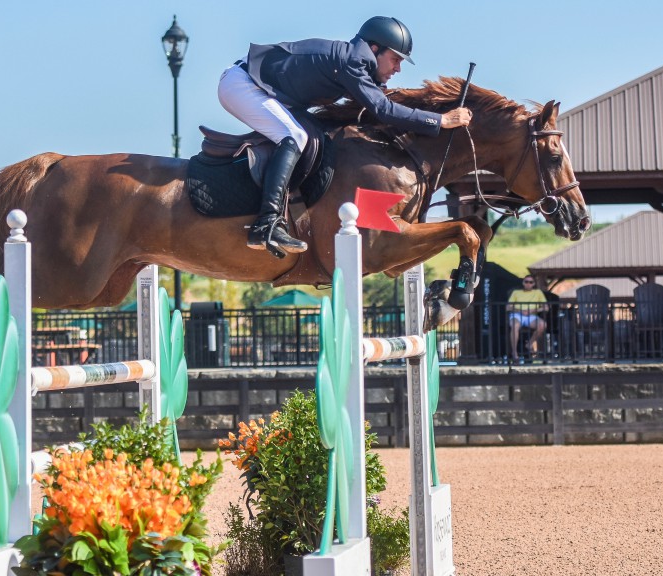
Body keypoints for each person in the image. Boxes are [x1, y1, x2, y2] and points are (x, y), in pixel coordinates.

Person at [218, 16, 473, 258]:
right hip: (242, 85)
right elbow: (384, 109)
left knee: (312, 135)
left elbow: (384, 102)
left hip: (263, 90)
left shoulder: (355, 62)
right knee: (295, 135)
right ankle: (267, 224)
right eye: (395, 59)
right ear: (375, 49)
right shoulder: (351, 61)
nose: (398, 68)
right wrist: (441, 120)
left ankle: (290, 209)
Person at [506, 275, 548, 363]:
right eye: (526, 282)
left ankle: (529, 344)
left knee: (542, 325)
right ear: (523, 283)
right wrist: (521, 311)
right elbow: (508, 307)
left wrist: (533, 310)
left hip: (532, 316)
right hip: (517, 315)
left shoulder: (538, 293)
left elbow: (546, 307)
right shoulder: (516, 292)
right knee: (515, 326)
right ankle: (514, 353)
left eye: (530, 282)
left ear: (534, 284)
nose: (528, 284)